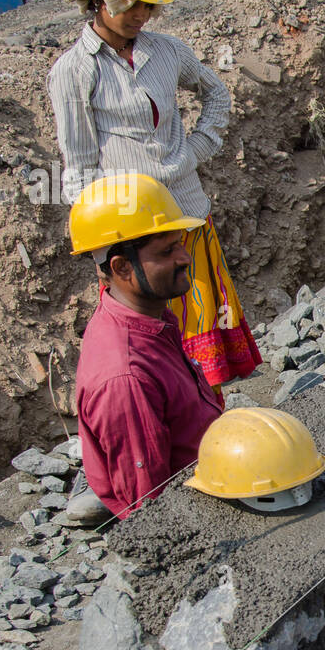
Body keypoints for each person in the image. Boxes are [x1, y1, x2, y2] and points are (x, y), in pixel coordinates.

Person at [48, 0, 261, 395]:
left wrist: (198, 148)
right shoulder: (74, 71)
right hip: (133, 234)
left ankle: (209, 422)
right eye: (131, 4)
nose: (141, 15)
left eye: (149, 5)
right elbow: (79, 165)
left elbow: (216, 93)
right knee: (152, 344)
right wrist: (100, 248)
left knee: (202, 341)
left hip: (185, 211)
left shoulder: (165, 52)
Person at [70, 173, 224, 519]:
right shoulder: (126, 379)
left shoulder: (147, 319)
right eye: (167, 251)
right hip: (195, 512)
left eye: (179, 244)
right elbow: (150, 510)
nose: (185, 258)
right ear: (122, 267)